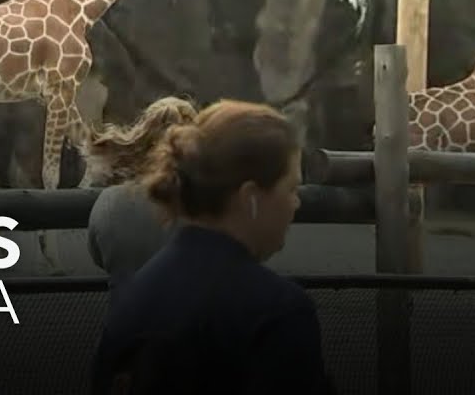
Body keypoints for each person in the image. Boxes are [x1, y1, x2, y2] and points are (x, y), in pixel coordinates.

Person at [90, 99, 335, 395]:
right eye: (291, 189)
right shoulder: (275, 312)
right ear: (250, 197)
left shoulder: (131, 306)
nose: (296, 202)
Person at [85, 96, 197, 304]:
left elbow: (97, 256)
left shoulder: (110, 201)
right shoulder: (210, 205)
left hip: (126, 328)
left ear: (142, 140)